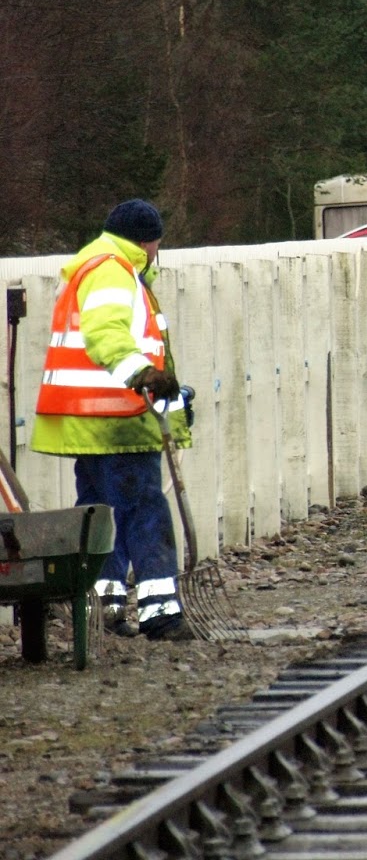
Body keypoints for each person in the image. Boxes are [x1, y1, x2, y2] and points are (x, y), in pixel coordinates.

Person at [32, 199, 193, 641]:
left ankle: (105, 608)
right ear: (149, 241)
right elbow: (106, 332)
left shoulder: (97, 265)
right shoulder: (112, 270)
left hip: (89, 421)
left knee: (102, 515)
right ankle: (162, 614)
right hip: (116, 420)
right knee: (144, 511)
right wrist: (141, 374)